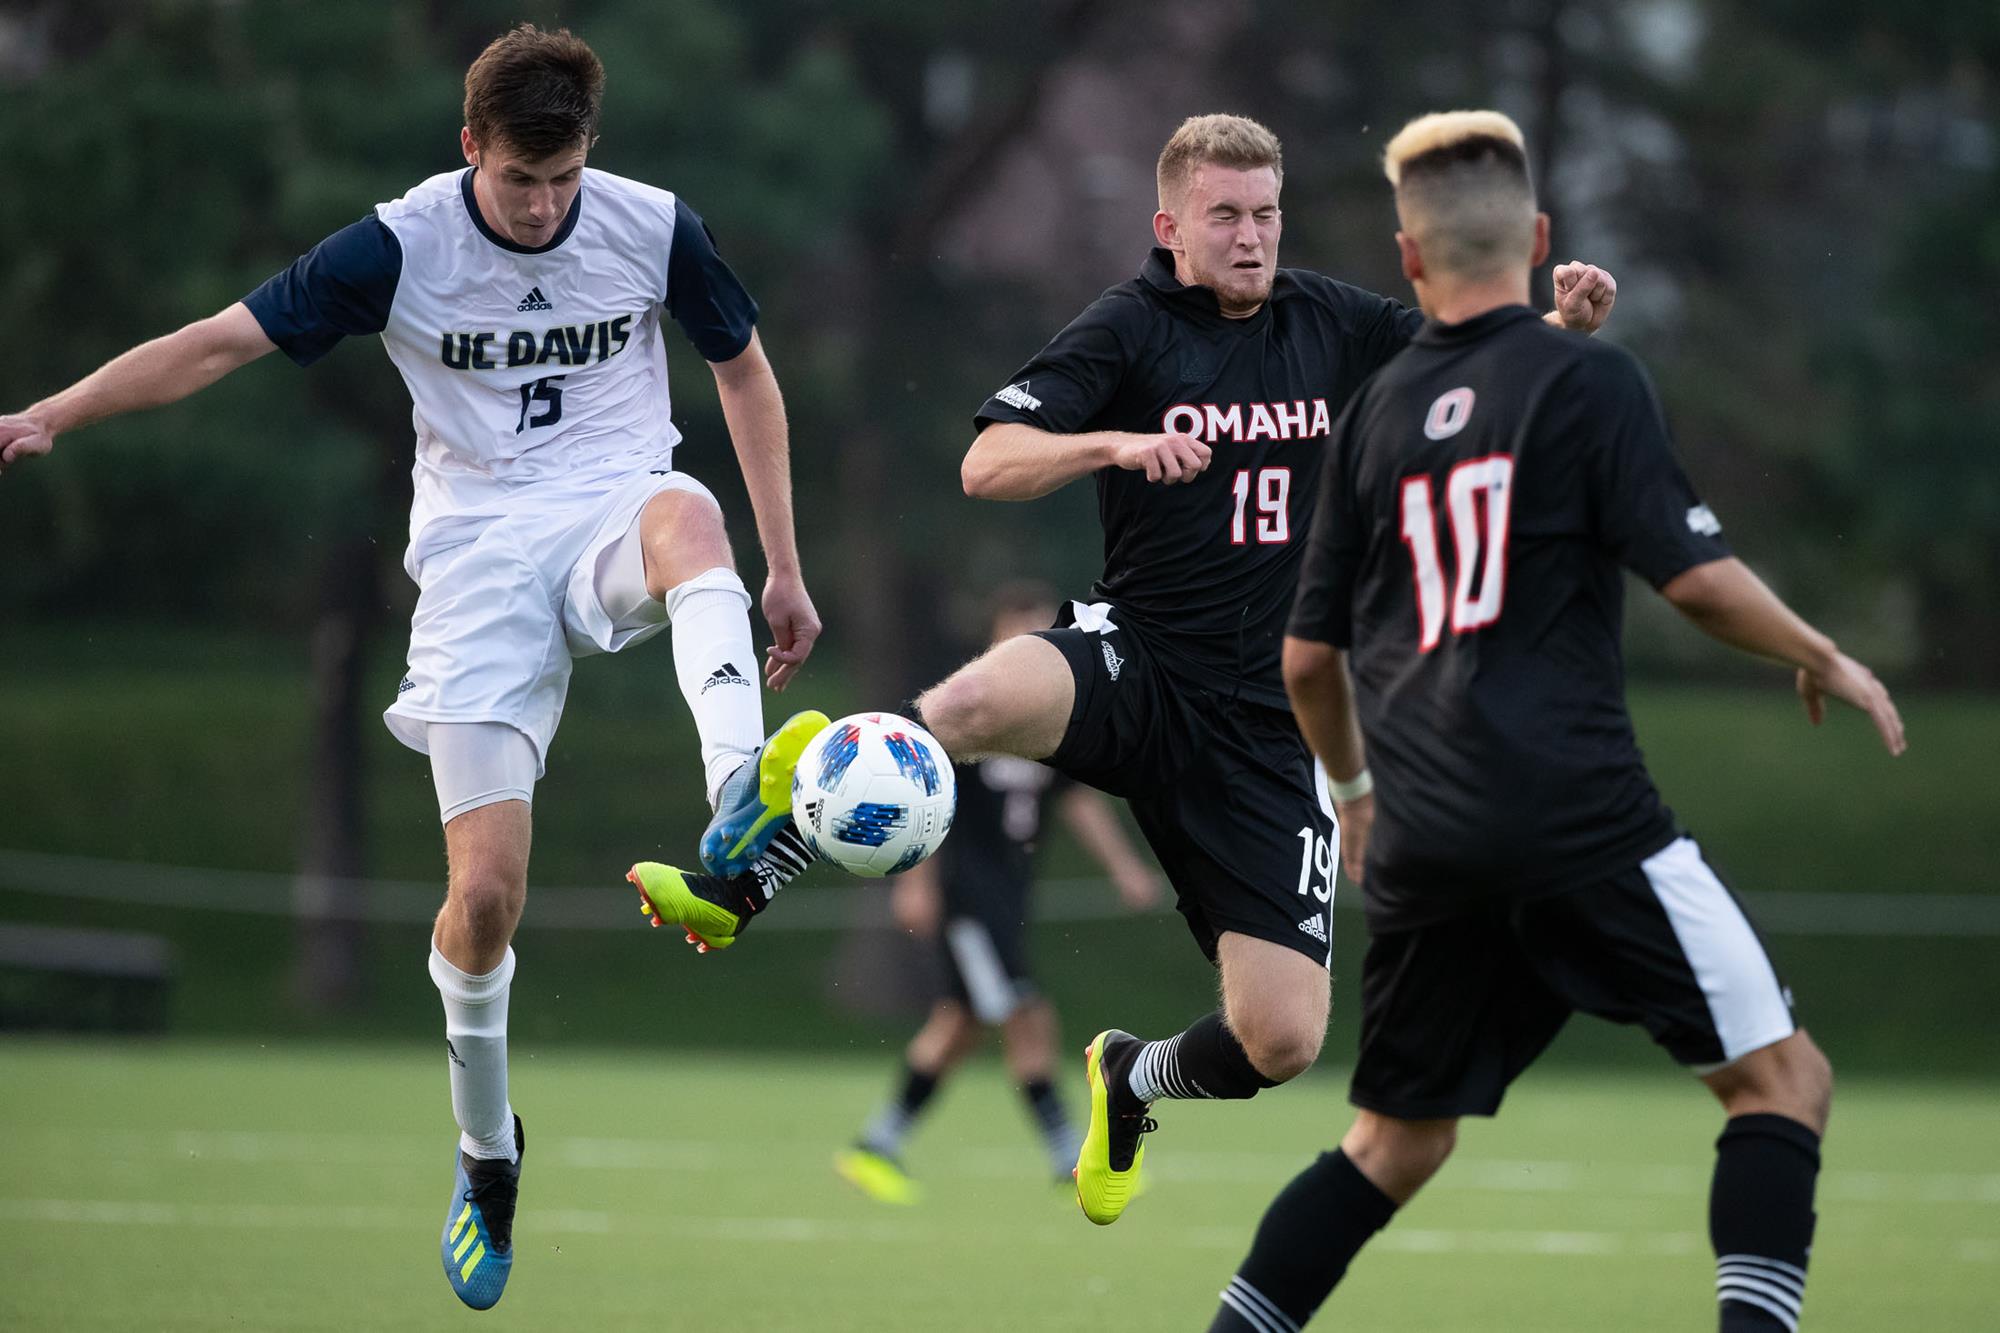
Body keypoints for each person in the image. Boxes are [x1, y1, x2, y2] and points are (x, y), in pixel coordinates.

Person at [624, 111, 1618, 1226]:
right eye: (1224, 216)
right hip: (1137, 659)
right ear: (1170, 224)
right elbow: (984, 461)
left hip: (1269, 723)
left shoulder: (1333, 322)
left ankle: (1129, 1080)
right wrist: (1111, 442)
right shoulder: (1132, 327)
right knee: (963, 700)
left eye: (1264, 214)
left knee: (1283, 1039)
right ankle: (737, 884)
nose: (1249, 237)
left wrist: (1557, 327)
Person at [0, 24, 827, 1310]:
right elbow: (217, 343)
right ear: (469, 151)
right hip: (478, 559)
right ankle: (487, 1156)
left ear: (589, 156)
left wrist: (782, 565)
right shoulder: (395, 247)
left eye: (563, 180)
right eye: (518, 182)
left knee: (692, 520)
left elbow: (744, 374)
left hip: (615, 502)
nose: (545, 206)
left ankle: (737, 805)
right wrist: (54, 410)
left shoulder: (654, 224)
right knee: (485, 897)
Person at [1207, 109, 1907, 1332]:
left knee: (1389, 1144)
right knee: (1781, 1083)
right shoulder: (1590, 378)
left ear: (1410, 258)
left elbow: (1305, 658)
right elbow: (1691, 579)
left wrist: (1359, 799)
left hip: (1427, 838)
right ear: (1534, 240)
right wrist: (1822, 650)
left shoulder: (1372, 416)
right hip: (1576, 816)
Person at [835, 582, 1162, 1205]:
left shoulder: (1048, 718)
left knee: (960, 1025)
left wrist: (1126, 868)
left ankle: (876, 1146)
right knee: (1027, 1017)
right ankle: (1070, 1157)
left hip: (1007, 900)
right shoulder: (968, 711)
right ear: (995, 641)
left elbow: (1076, 801)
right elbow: (916, 798)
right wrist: (916, 881)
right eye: (1020, 634)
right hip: (967, 897)